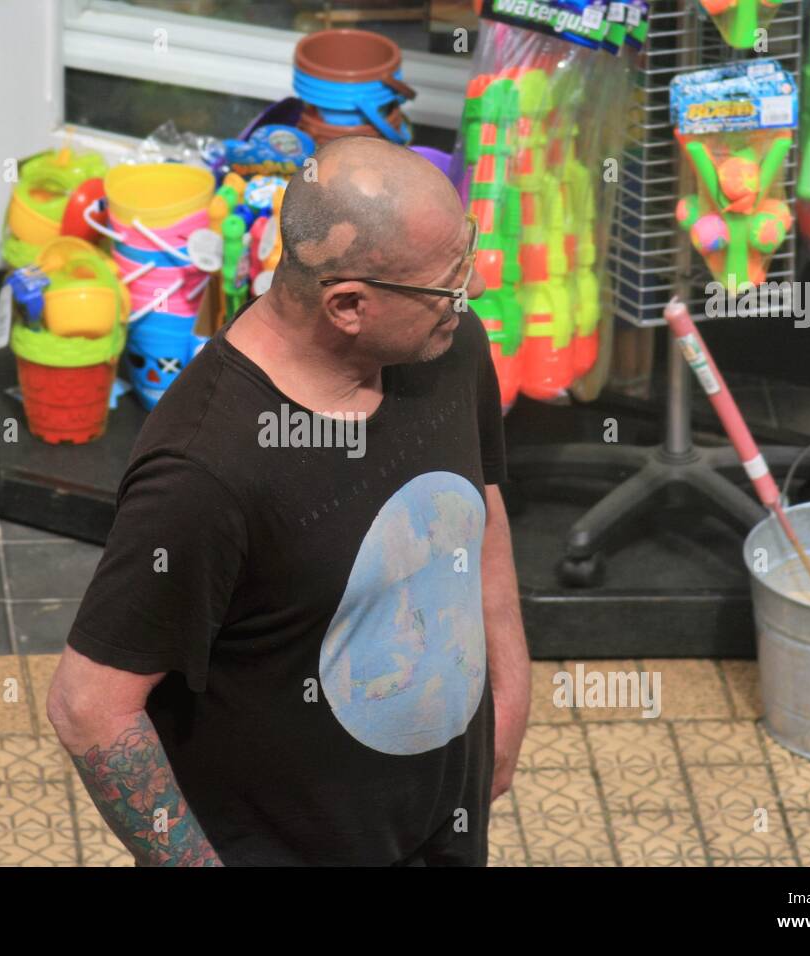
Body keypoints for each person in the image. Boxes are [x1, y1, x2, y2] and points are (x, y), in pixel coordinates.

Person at [47, 136, 530, 866]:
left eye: (466, 259)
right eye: (449, 282)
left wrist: (509, 705)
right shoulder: (203, 473)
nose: (472, 292)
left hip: (444, 827)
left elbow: (479, 512)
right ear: (348, 305)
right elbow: (89, 706)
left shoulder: (448, 345)